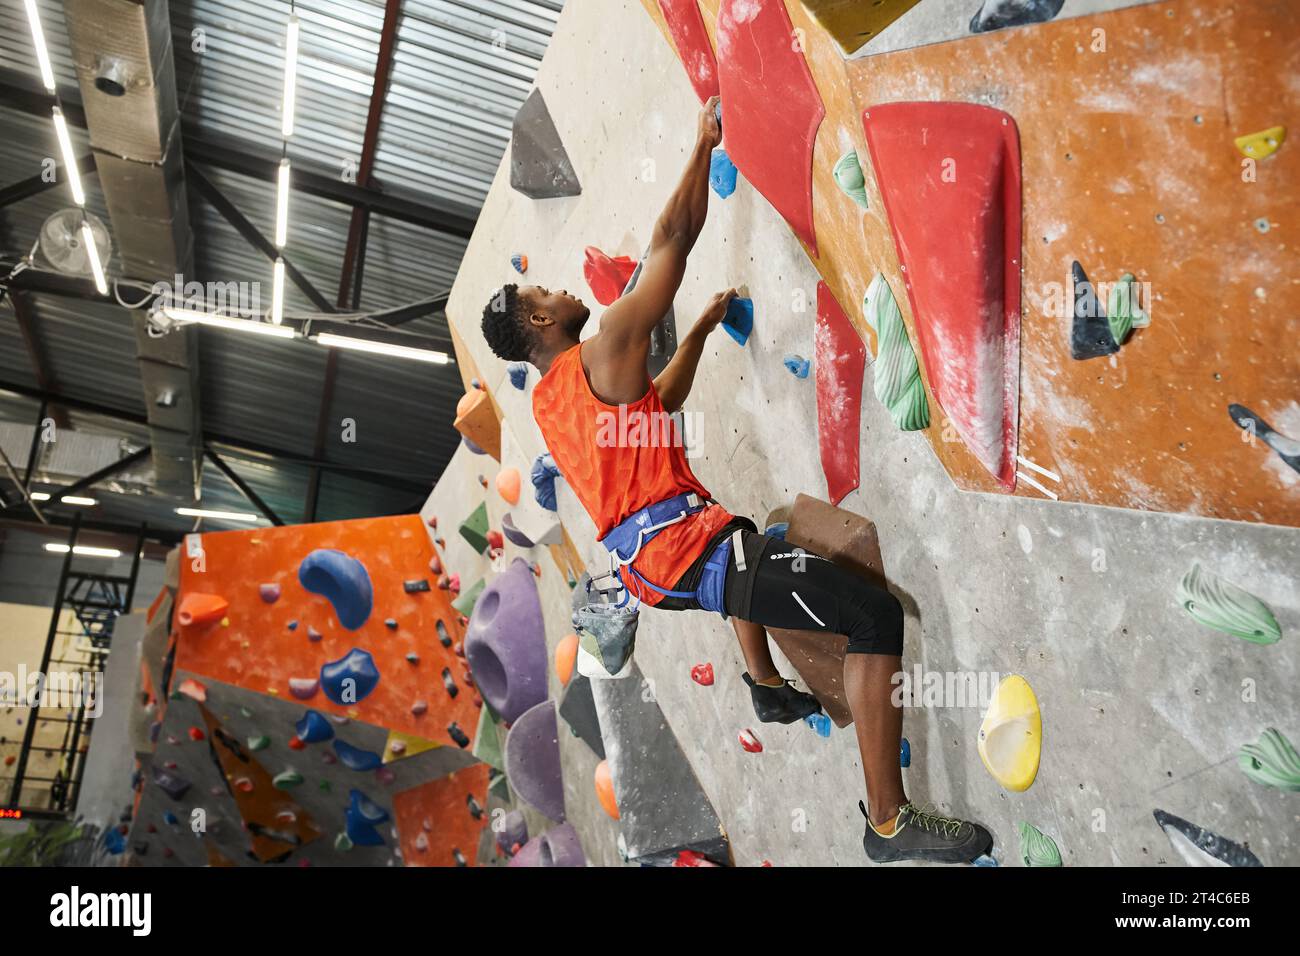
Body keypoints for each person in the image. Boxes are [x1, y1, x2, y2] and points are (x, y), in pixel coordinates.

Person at [480, 95, 991, 864]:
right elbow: (672, 238)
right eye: (543, 293)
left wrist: (697, 335)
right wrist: (701, 143)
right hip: (689, 553)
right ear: (543, 324)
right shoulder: (607, 340)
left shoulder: (560, 402)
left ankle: (763, 685)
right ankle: (888, 823)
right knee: (872, 617)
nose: (557, 291)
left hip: (658, 565)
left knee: (746, 540)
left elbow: (658, 405)